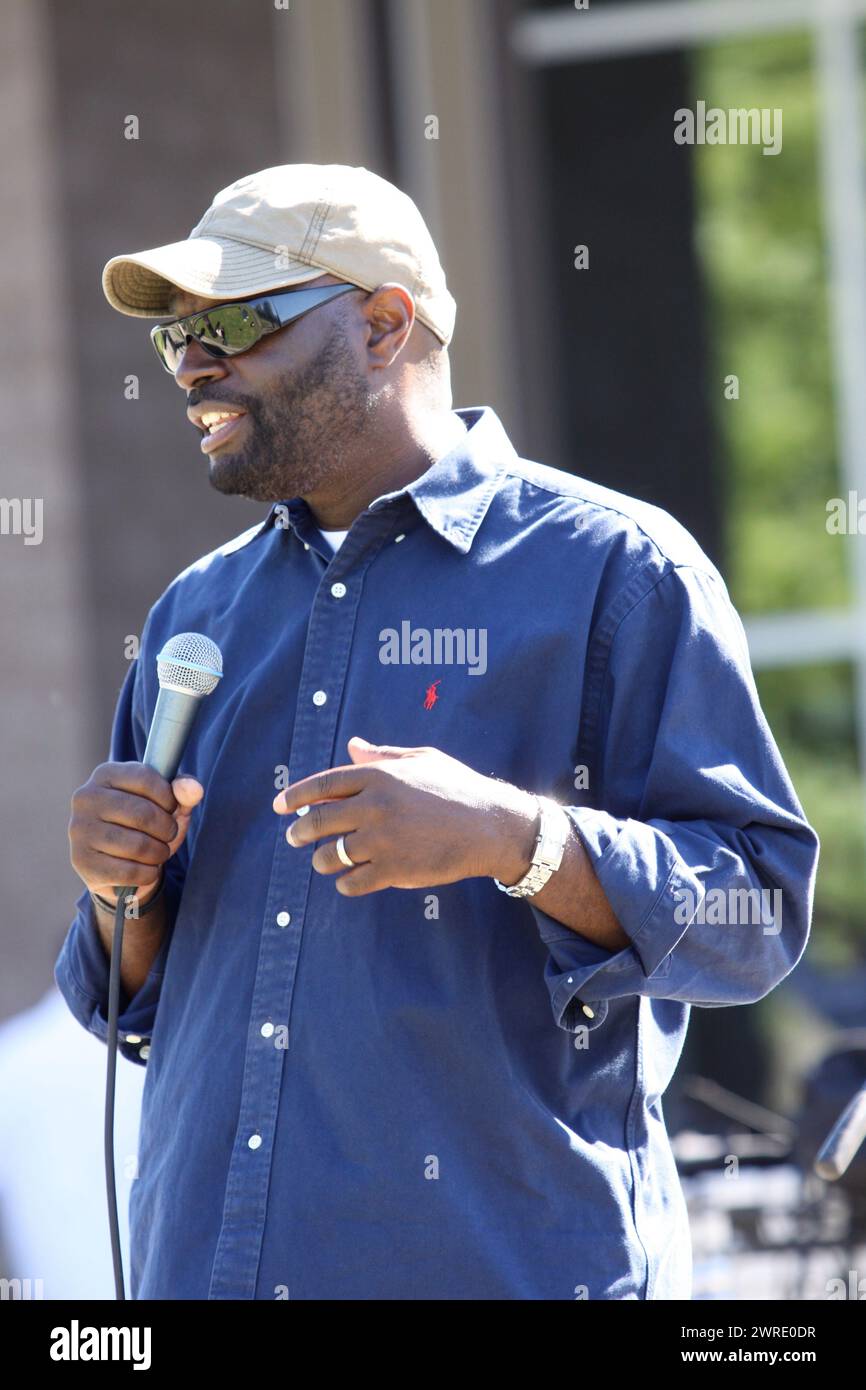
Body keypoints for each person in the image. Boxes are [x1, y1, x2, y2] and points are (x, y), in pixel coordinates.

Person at [56, 163, 819, 1300]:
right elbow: (129, 1002)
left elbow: (752, 913)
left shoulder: (612, 571)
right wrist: (126, 890)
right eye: (175, 340)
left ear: (381, 322)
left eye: (231, 322)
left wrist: (520, 841)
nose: (194, 365)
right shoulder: (196, 616)